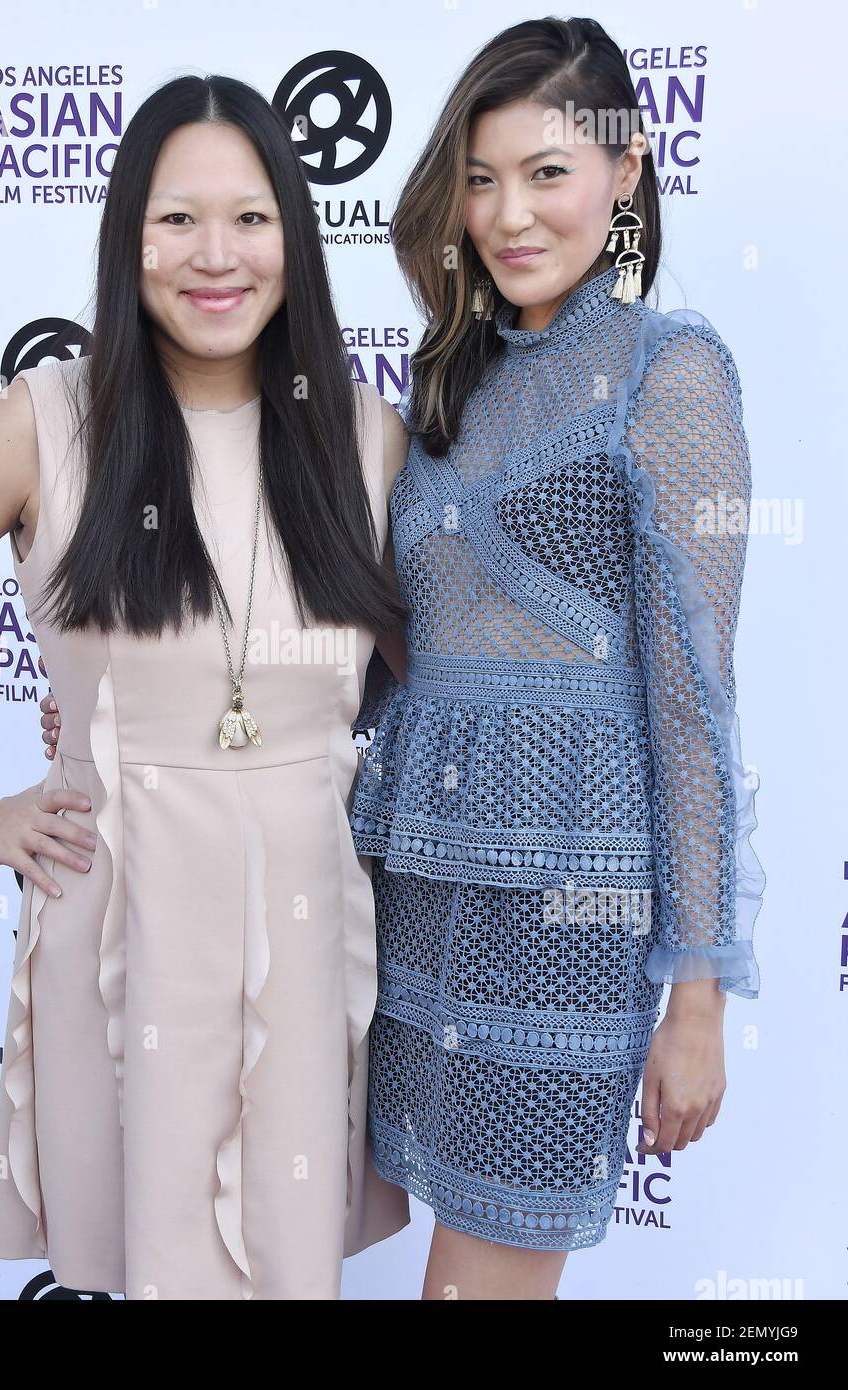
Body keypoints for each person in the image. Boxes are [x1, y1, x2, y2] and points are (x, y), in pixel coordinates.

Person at [0, 73, 412, 1300]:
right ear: (124, 236)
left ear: (294, 231)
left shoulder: (361, 432)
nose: (214, 256)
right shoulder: (47, 420)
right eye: (175, 219)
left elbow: (416, 675)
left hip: (300, 919)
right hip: (124, 917)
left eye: (249, 217)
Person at [345, 16, 766, 1300]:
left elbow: (695, 697)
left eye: (546, 172)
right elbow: (393, 654)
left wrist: (694, 995)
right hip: (407, 884)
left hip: (569, 917)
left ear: (623, 172)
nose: (507, 214)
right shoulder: (446, 385)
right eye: (480, 178)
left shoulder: (670, 368)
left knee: (479, 1282)